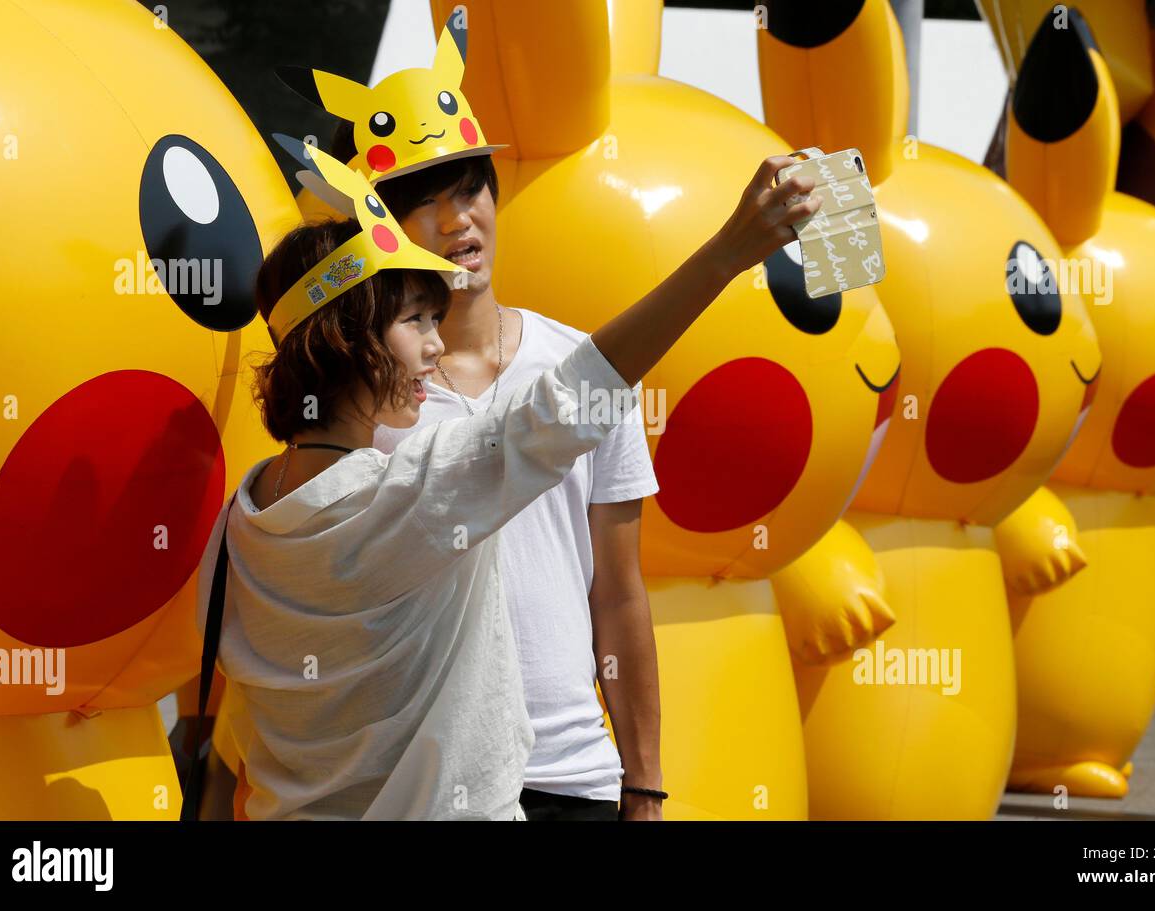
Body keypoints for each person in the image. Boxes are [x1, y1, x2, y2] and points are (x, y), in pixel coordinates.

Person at [196, 152, 822, 820]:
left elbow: (241, 723)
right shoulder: (410, 495)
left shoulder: (239, 523)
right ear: (349, 340)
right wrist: (726, 254)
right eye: (414, 321)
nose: (435, 349)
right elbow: (572, 399)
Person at [358, 144, 662, 821]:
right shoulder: (371, 399)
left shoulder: (587, 370)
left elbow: (618, 592)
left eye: (470, 192)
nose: (456, 219)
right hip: (426, 779)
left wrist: (643, 781)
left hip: (576, 774)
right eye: (425, 204)